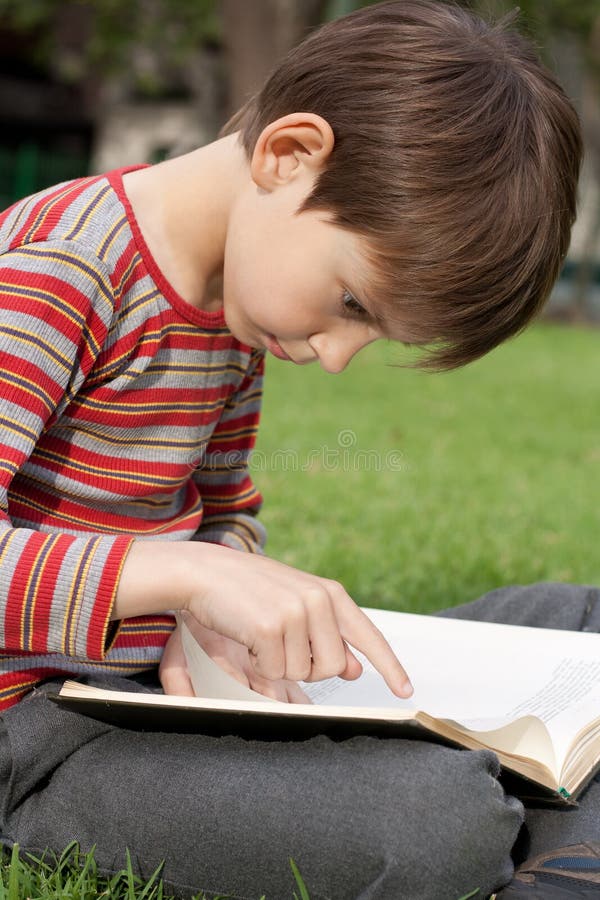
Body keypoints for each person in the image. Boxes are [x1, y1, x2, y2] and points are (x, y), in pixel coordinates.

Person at [0, 1, 586, 897]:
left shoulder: (232, 297)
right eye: (354, 304)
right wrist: (181, 581)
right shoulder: (62, 271)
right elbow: (184, 564)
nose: (340, 357)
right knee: (440, 821)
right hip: (38, 734)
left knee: (579, 622)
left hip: (163, 689)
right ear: (289, 155)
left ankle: (546, 831)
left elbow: (226, 514)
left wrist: (209, 599)